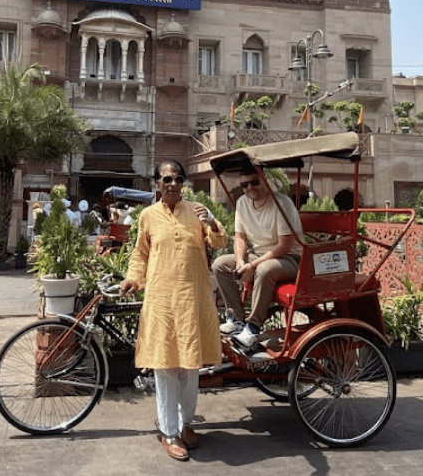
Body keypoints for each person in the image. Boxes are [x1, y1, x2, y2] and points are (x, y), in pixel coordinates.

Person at [120, 160, 227, 462]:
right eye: (166, 179)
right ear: (157, 183)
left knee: (190, 367)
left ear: (183, 183)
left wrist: (212, 223)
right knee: (166, 366)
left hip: (193, 298)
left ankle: (187, 423)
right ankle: (169, 432)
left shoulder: (197, 212)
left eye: (178, 179)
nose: (172, 184)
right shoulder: (148, 216)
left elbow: (219, 241)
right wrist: (132, 279)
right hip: (162, 299)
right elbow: (140, 254)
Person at [211, 166, 303, 349]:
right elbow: (240, 237)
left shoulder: (282, 203)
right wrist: (240, 262)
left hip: (290, 259)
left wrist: (252, 265)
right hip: (259, 255)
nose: (250, 188)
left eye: (255, 182)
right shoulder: (242, 203)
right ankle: (237, 319)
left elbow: (283, 246)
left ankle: (253, 327)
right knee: (220, 265)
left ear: (265, 180)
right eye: (245, 185)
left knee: (264, 268)